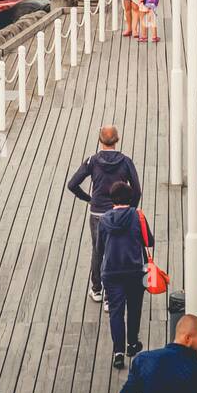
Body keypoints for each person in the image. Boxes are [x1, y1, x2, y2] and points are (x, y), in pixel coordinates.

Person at [67, 126, 142, 303]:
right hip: (118, 213)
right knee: (114, 250)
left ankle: (97, 289)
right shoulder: (126, 162)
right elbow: (137, 190)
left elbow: (72, 184)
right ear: (117, 140)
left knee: (98, 250)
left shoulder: (92, 161)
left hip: (97, 213)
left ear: (100, 140)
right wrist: (129, 209)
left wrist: (89, 198)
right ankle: (110, 296)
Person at [97, 181, 154, 368]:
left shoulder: (104, 220)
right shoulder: (138, 216)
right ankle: (132, 344)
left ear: (111, 199)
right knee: (134, 308)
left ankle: (118, 352)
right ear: (130, 198)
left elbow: (99, 250)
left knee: (116, 312)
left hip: (111, 272)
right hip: (135, 270)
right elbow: (149, 241)